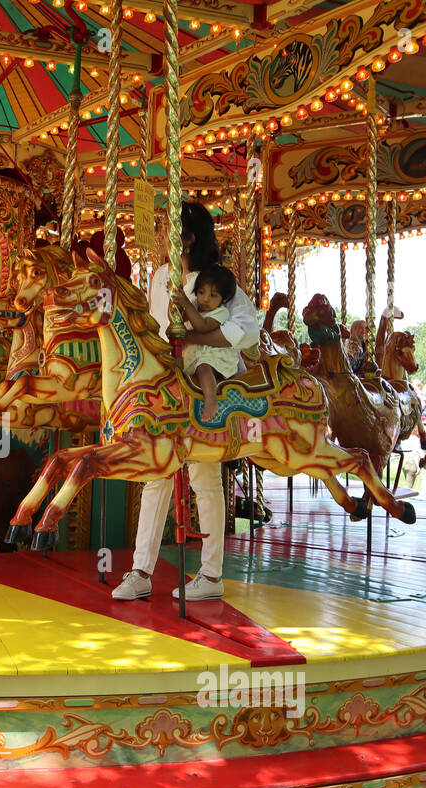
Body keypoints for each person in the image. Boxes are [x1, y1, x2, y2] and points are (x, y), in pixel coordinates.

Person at [112, 202, 260, 603]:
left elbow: (246, 329)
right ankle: (141, 570)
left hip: (201, 382)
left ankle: (211, 574)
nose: (161, 235)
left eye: (167, 228)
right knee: (157, 476)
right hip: (166, 385)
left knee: (204, 477)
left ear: (189, 238)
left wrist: (195, 337)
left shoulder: (215, 280)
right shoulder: (161, 275)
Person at [180, 264, 239, 423]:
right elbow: (179, 319)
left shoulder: (221, 312)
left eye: (213, 295)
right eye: (201, 292)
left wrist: (185, 303)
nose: (205, 299)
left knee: (203, 367)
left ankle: (211, 401)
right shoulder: (195, 306)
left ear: (224, 298)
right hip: (193, 353)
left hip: (214, 355)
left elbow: (202, 326)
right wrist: (176, 301)